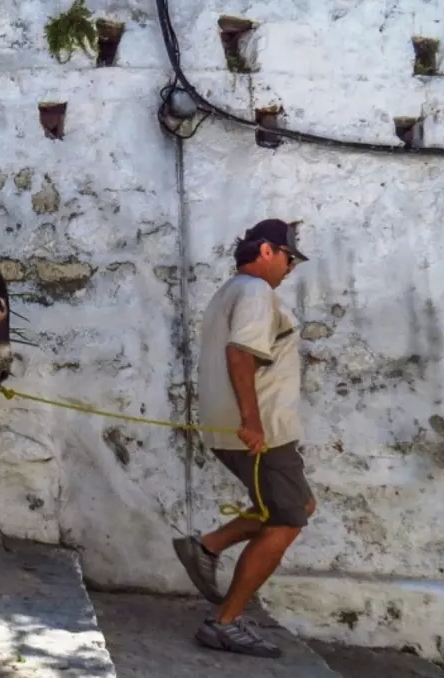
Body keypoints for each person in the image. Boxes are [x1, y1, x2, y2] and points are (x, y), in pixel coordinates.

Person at [172, 218, 316, 659]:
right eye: (289, 256)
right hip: (263, 432)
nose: (292, 266)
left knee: (297, 507)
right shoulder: (256, 292)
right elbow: (240, 354)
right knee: (287, 520)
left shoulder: (232, 291)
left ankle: (207, 546)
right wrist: (252, 422)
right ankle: (224, 622)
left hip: (245, 427)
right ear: (268, 250)